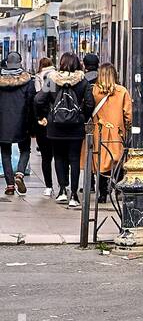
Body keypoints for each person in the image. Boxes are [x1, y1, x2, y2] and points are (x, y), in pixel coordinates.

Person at [36, 52, 94, 208]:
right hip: (76, 127)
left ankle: (62, 190)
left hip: (55, 126)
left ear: (61, 63)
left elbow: (38, 99)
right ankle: (74, 195)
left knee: (59, 157)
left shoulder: (52, 80)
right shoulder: (83, 81)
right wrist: (82, 117)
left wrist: (44, 115)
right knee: (74, 158)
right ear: (78, 64)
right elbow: (90, 103)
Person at [90, 62, 132, 204]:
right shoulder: (122, 91)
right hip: (117, 132)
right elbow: (128, 115)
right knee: (118, 160)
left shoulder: (94, 91)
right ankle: (118, 188)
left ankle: (102, 193)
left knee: (101, 161)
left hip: (99, 131)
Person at [0, 51, 35, 196]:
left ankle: (9, 185)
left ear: (7, 63)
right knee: (25, 150)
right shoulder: (28, 82)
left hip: (2, 123)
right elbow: (32, 103)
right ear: (20, 63)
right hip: (22, 121)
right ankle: (20, 173)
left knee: (5, 152)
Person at [32, 57, 56, 195]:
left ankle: (48, 186)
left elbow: (38, 99)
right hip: (58, 120)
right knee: (60, 156)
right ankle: (64, 186)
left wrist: (40, 117)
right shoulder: (57, 76)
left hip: (44, 121)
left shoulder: (41, 77)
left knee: (46, 157)